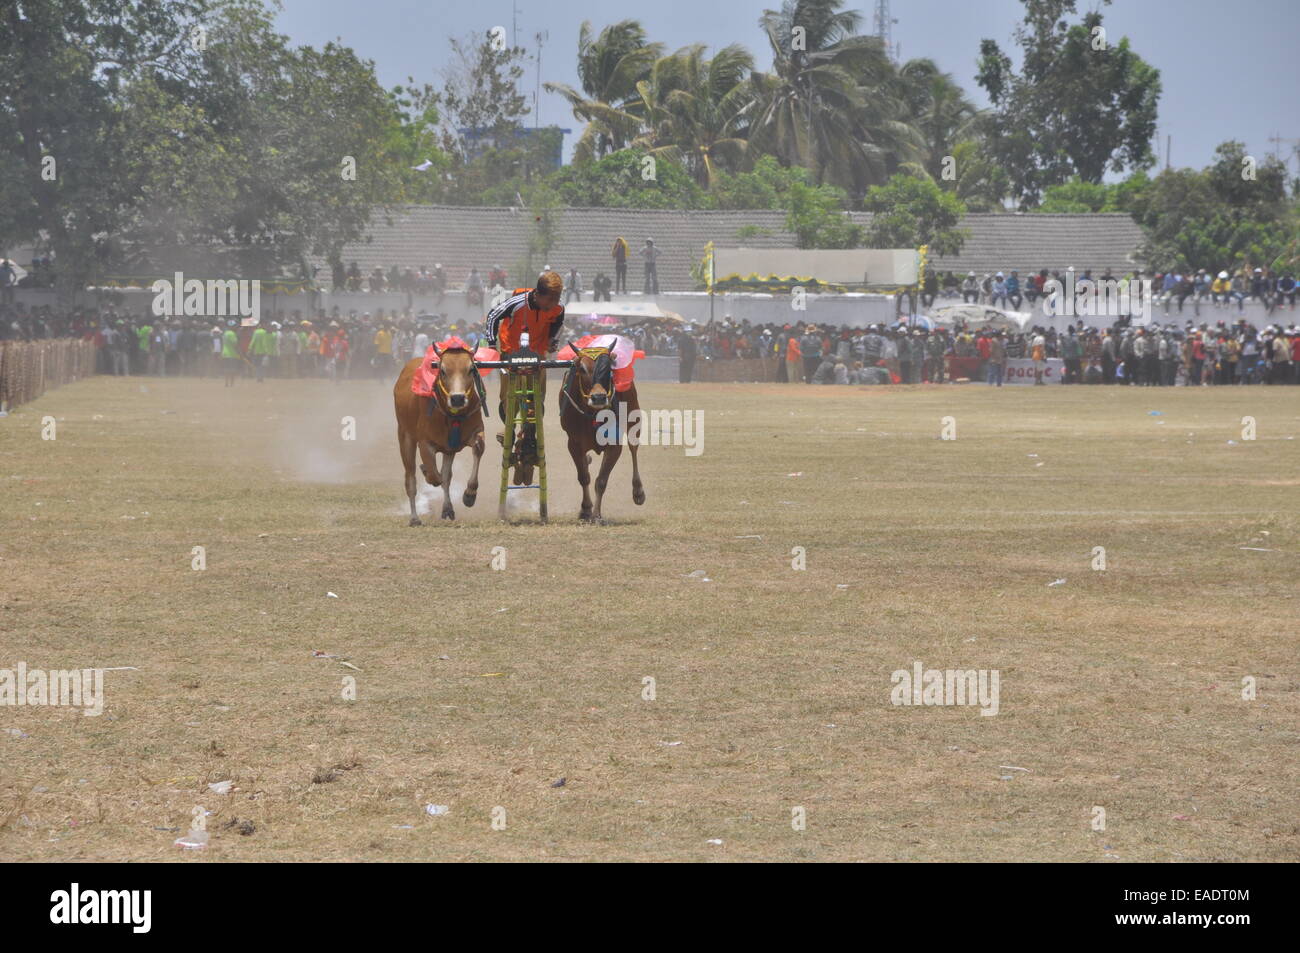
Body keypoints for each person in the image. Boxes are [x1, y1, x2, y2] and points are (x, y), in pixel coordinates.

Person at [483, 271, 566, 452]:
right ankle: (509, 428)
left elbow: (558, 322)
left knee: (537, 397)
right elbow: (492, 317)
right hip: (510, 355)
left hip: (537, 357)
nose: (553, 304)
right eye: (550, 300)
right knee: (507, 396)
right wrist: (491, 345)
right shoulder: (517, 303)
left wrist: (553, 340)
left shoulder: (558, 307)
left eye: (556, 299)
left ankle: (529, 433)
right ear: (538, 294)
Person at [221, 320, 240, 387]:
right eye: (235, 326)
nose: (236, 327)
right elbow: (235, 344)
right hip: (231, 354)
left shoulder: (225, 333)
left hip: (225, 354)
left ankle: (226, 383)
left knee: (226, 369)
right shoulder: (232, 334)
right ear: (232, 326)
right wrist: (239, 352)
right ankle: (232, 384)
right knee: (232, 369)